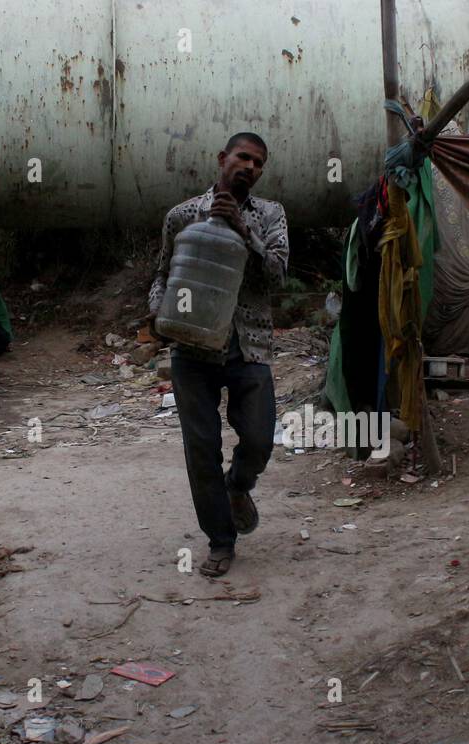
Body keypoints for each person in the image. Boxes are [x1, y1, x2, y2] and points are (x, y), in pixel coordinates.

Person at [148, 132, 289, 577]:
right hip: (192, 351)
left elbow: (279, 277)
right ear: (222, 157)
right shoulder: (183, 215)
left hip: (249, 347)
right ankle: (220, 542)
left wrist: (244, 232)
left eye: (259, 163)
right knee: (201, 450)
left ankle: (238, 486)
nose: (251, 167)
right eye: (244, 157)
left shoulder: (269, 215)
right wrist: (158, 315)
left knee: (260, 439)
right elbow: (162, 275)